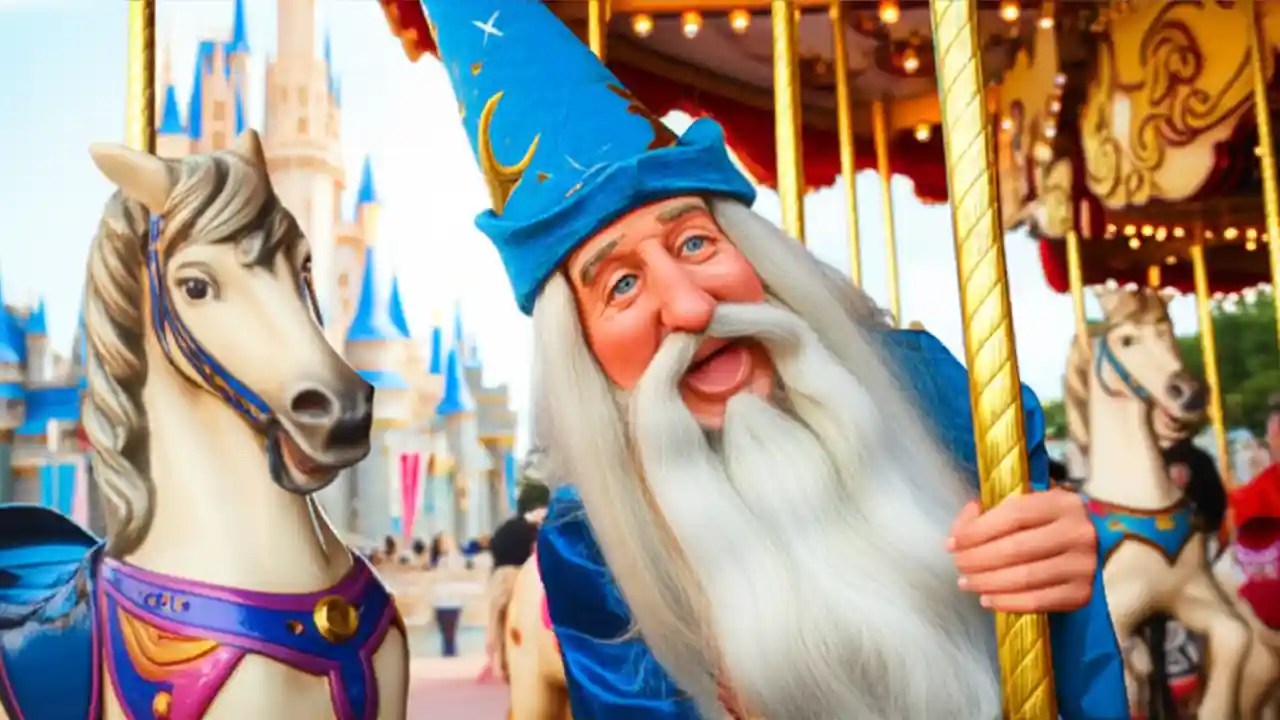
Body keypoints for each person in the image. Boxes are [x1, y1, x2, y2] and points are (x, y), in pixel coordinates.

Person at [422, 1, 1126, 716]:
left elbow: (1070, 672)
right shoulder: (588, 547)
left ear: (755, 256)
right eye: (622, 285)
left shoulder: (930, 392)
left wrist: (1063, 576)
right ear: (585, 351)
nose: (692, 308)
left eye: (695, 242)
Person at [484, 481, 551, 680]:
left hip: (500, 575)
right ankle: (517, 664)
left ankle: (498, 663)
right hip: (522, 577)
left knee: (497, 620)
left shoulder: (506, 528)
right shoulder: (537, 531)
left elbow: (494, 547)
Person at [428, 532, 472, 658]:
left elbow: (460, 573)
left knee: (450, 632)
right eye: (444, 542)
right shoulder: (436, 561)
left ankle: (451, 655)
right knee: (444, 634)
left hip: (453, 600)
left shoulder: (457, 559)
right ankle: (447, 655)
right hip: (440, 600)